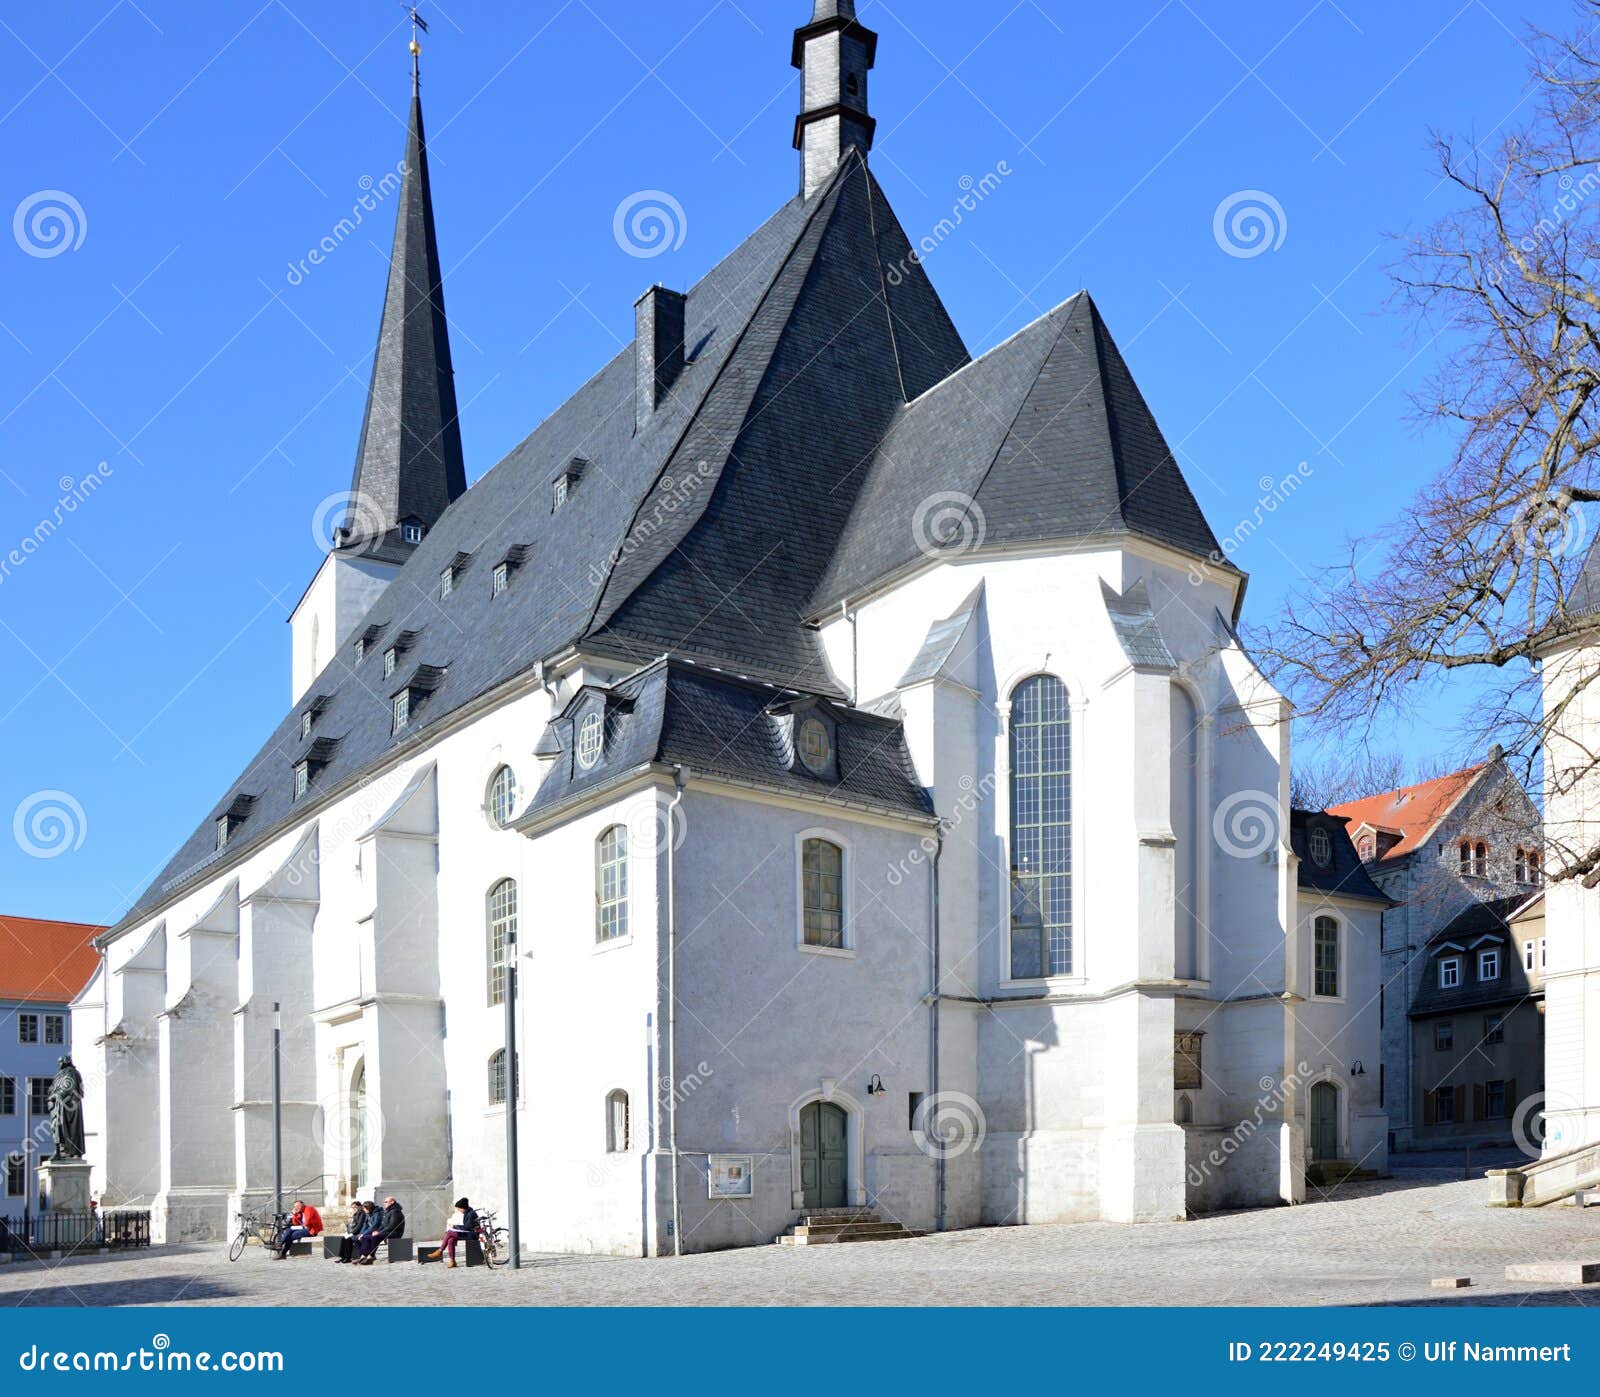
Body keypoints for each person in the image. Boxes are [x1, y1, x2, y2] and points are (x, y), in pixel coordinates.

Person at [426, 1198, 479, 1269]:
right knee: (450, 1240)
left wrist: (455, 1226)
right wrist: (456, 1227)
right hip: (468, 1233)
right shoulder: (467, 1212)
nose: (458, 1210)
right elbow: (467, 1227)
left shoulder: (471, 1214)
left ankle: (440, 1251)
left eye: (459, 1208)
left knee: (449, 1232)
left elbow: (467, 1227)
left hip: (472, 1235)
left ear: (463, 1207)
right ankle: (452, 1261)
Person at [354, 1196, 405, 1264]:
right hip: (387, 1231)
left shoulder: (395, 1211)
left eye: (386, 1202)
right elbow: (383, 1225)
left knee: (373, 1237)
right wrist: (378, 1231)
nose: (384, 1203)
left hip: (394, 1232)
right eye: (384, 1202)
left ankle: (369, 1256)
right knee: (365, 1237)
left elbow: (392, 1226)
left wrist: (379, 1232)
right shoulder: (389, 1211)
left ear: (392, 1202)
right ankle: (364, 1256)